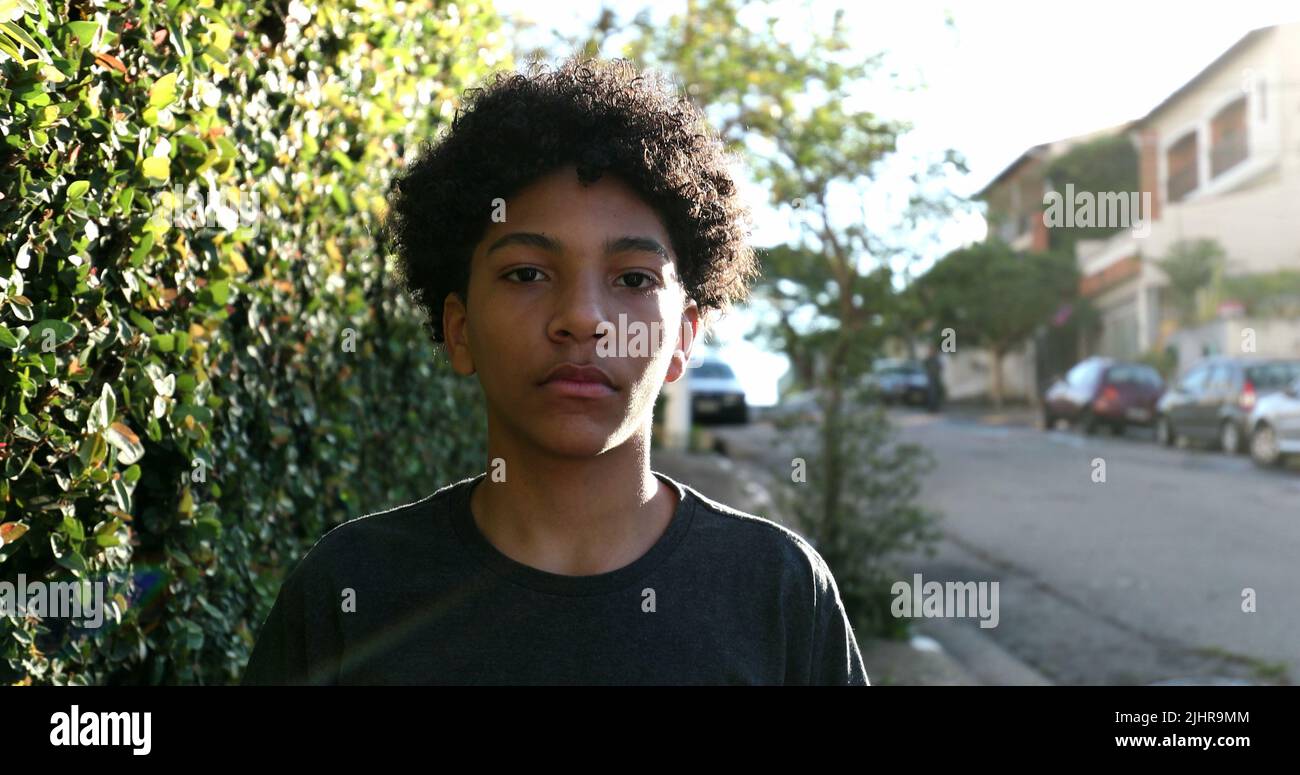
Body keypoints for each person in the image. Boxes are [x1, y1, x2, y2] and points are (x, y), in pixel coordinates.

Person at [241, 56, 868, 685]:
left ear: (683, 337)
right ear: (459, 331)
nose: (582, 318)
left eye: (633, 278)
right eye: (526, 274)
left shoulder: (780, 594)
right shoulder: (350, 589)